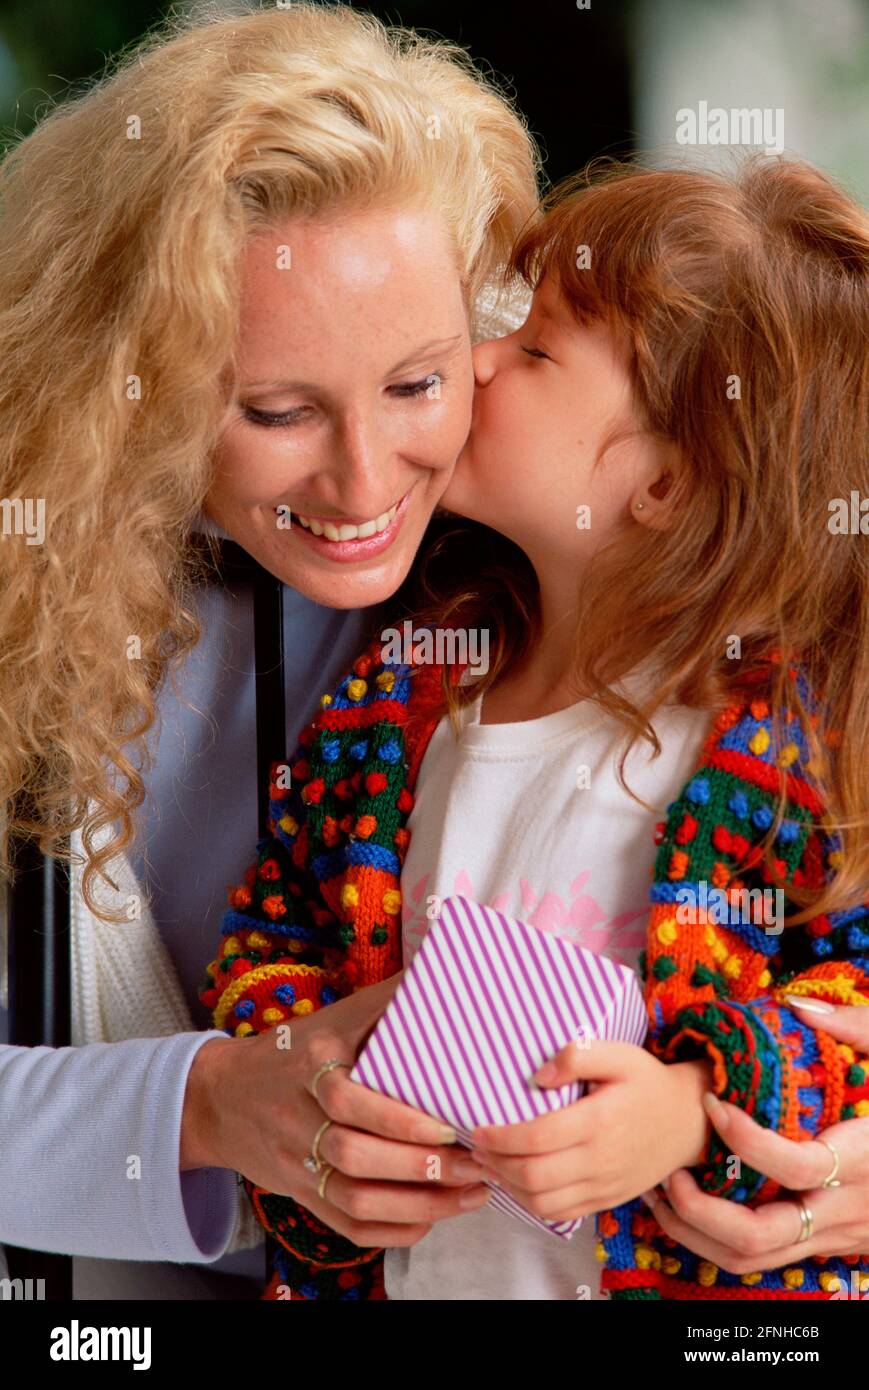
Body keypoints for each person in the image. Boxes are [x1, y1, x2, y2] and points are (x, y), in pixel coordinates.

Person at [199, 155, 869, 1299]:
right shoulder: (393, 706)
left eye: (537, 348)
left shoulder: (783, 757)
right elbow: (270, 940)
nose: (475, 361)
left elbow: (845, 1020)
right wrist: (311, 1111)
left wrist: (694, 1104)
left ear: (662, 483)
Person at [0, 1, 540, 1296]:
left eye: (418, 383)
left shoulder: (560, 556)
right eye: (277, 410)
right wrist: (202, 1106)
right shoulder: (27, 576)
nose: (365, 483)